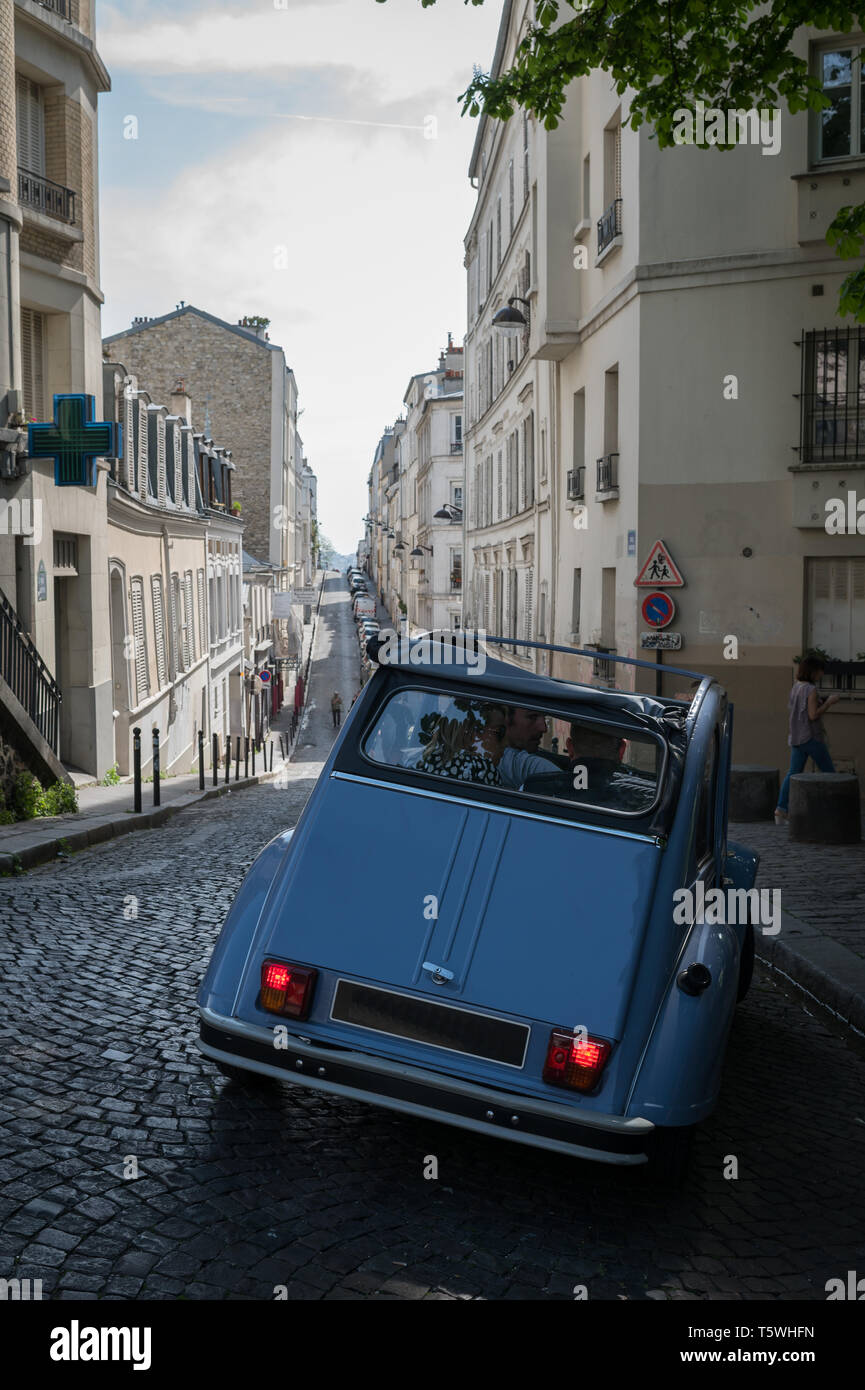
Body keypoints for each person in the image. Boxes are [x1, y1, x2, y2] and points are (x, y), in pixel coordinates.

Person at [775, 658, 841, 823]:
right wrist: (829, 702)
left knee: (792, 773)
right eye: (820, 671)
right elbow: (813, 715)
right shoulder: (811, 689)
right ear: (813, 671)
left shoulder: (796, 686)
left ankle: (781, 810)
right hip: (811, 738)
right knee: (830, 774)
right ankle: (837, 811)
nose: (822, 674)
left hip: (797, 737)